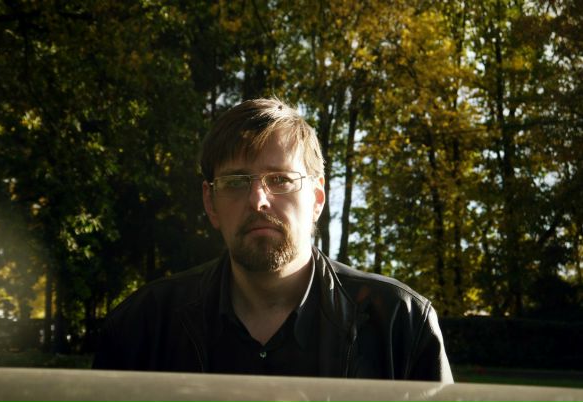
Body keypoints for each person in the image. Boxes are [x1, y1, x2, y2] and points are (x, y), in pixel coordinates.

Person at [92, 98, 454, 382]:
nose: (258, 200)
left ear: (317, 199)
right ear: (210, 203)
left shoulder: (401, 325)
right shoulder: (140, 329)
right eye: (236, 182)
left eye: (280, 180)